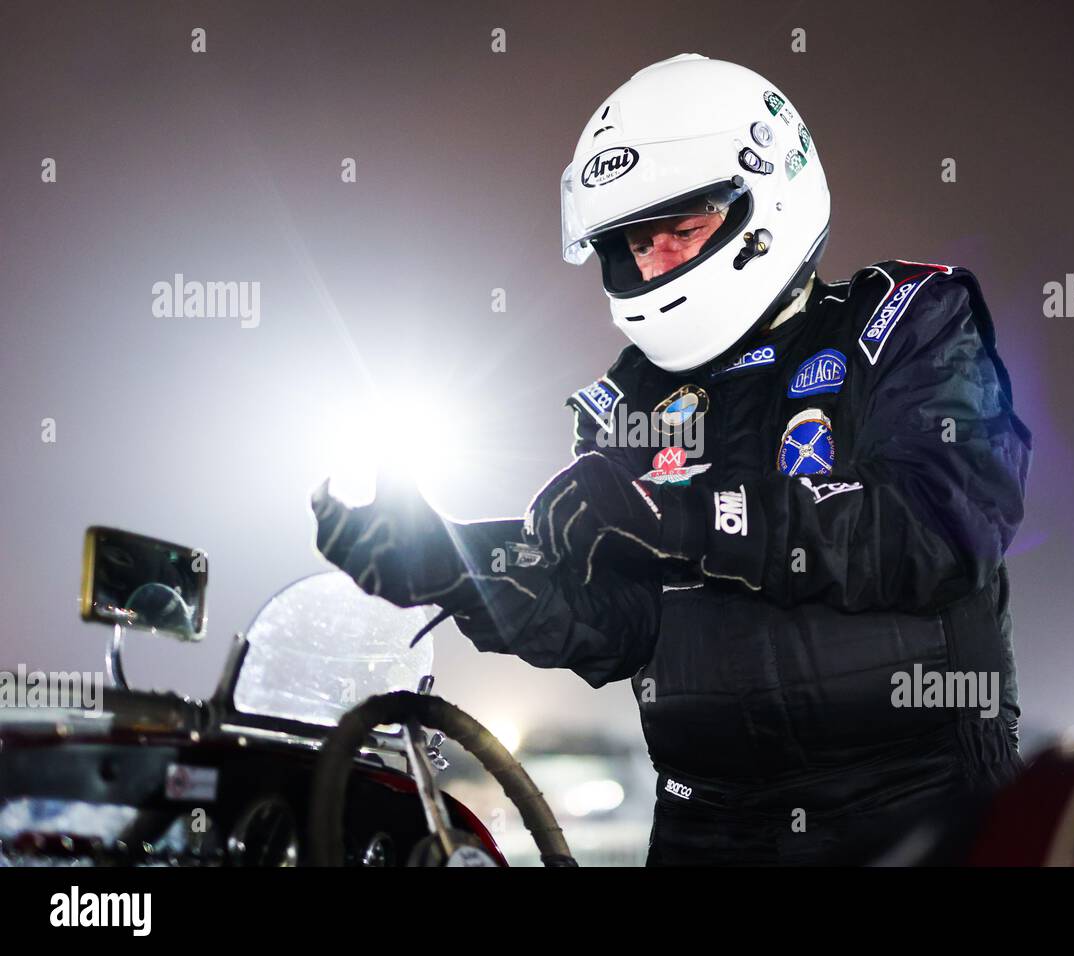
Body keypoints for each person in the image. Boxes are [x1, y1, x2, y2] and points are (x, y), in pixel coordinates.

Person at [312, 53, 1033, 865]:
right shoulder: (631, 402)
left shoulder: (902, 323)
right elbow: (619, 627)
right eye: (633, 247)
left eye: (680, 233)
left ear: (766, 194)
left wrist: (686, 513)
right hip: (707, 826)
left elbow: (943, 527)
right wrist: (459, 567)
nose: (655, 267)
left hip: (914, 808)